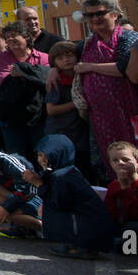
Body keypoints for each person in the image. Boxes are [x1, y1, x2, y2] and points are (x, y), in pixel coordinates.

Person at [71, 0, 138, 179]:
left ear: (115, 14)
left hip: (129, 113)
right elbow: (64, 60)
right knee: (110, 162)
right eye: (90, 15)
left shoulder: (128, 38)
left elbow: (125, 68)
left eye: (100, 13)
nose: (95, 18)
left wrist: (91, 67)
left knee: (134, 158)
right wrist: (52, 71)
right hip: (101, 118)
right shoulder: (88, 44)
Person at [0, 22, 49, 161]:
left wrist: (24, 73)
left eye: (14, 36)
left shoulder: (43, 58)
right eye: (7, 37)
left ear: (26, 37)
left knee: (41, 155)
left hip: (37, 115)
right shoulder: (0, 58)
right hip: (10, 116)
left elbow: (48, 79)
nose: (10, 39)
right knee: (18, 158)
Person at [45, 41, 93, 180]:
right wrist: (76, 103)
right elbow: (51, 109)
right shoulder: (55, 80)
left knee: (84, 170)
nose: (66, 60)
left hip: (81, 132)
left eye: (69, 55)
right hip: (62, 132)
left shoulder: (83, 76)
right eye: (60, 58)